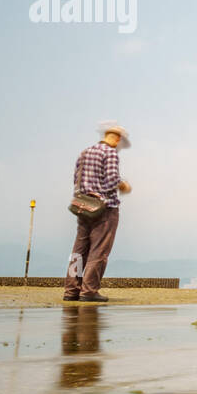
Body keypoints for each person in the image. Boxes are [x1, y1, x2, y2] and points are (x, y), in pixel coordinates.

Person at [63, 122, 132, 302]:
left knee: (78, 251)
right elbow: (111, 182)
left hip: (83, 205)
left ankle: (71, 290)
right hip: (104, 208)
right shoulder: (109, 152)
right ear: (116, 139)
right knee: (99, 251)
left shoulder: (84, 153)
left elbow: (75, 179)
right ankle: (89, 290)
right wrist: (123, 185)